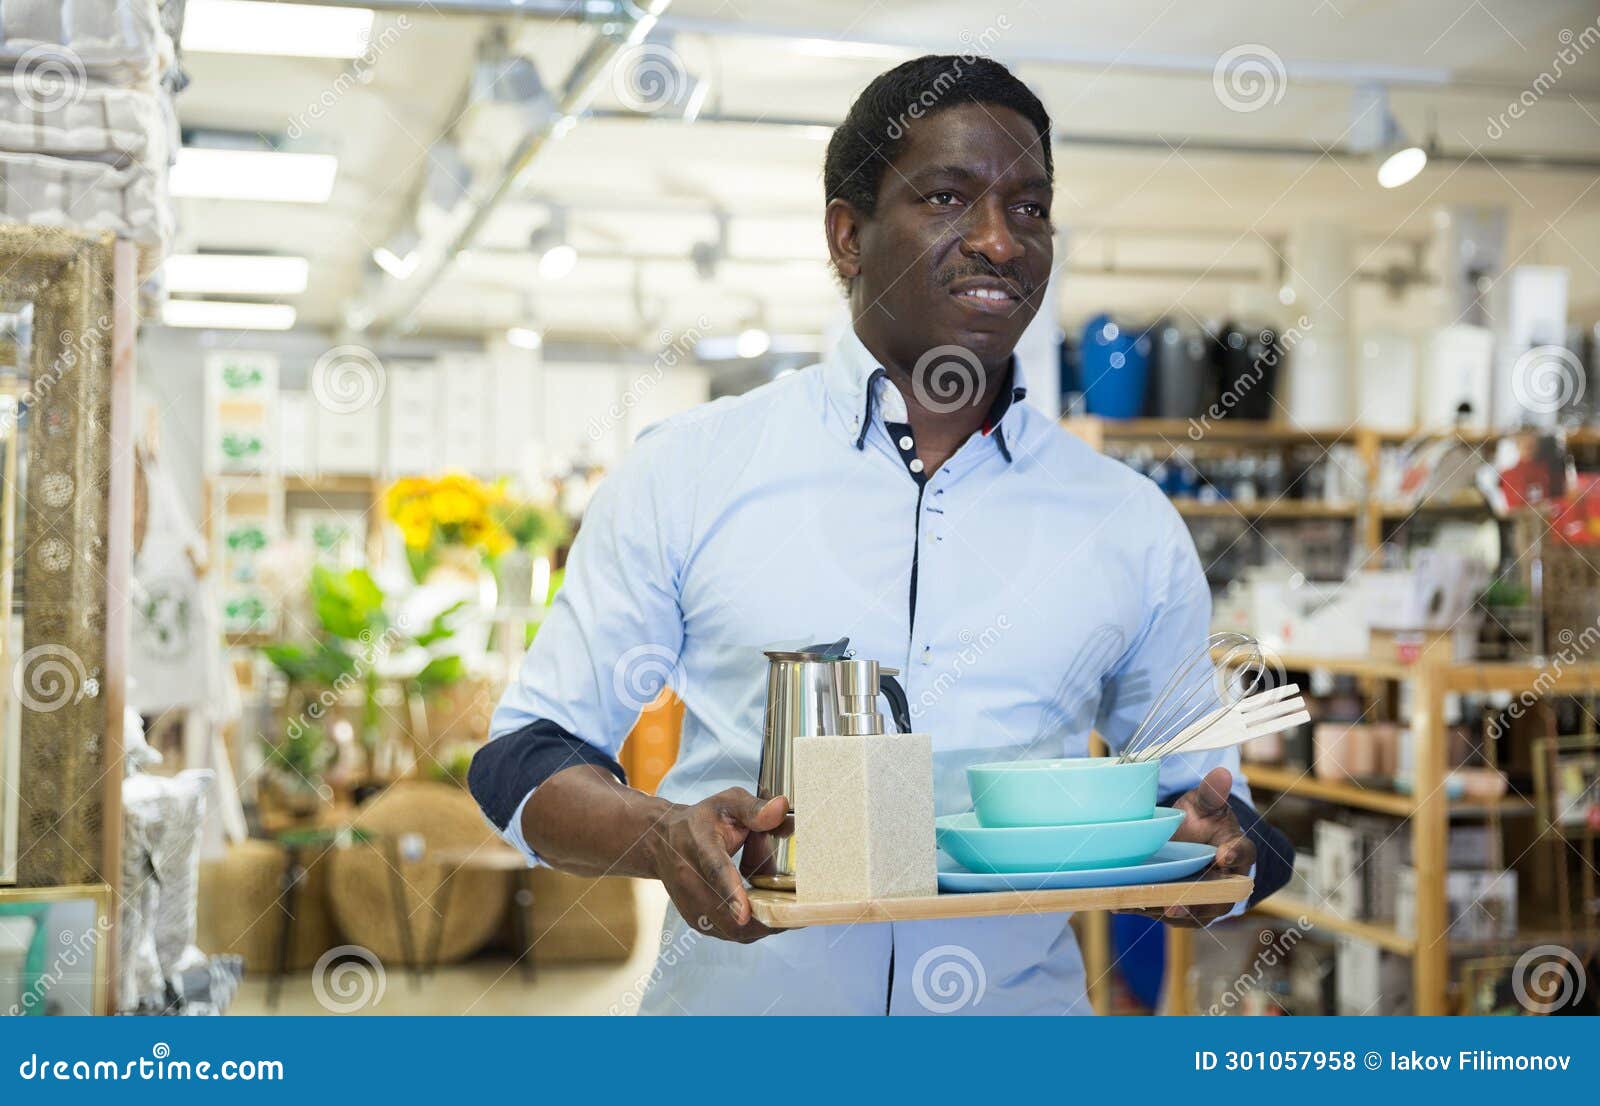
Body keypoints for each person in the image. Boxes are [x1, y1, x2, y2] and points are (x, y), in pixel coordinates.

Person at [471, 54, 1292, 1015]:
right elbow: (525, 754)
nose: (999, 239)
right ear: (847, 236)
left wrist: (1223, 848)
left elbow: (1209, 807)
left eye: (1030, 208)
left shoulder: (1125, 523)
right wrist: (659, 833)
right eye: (949, 198)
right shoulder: (689, 471)